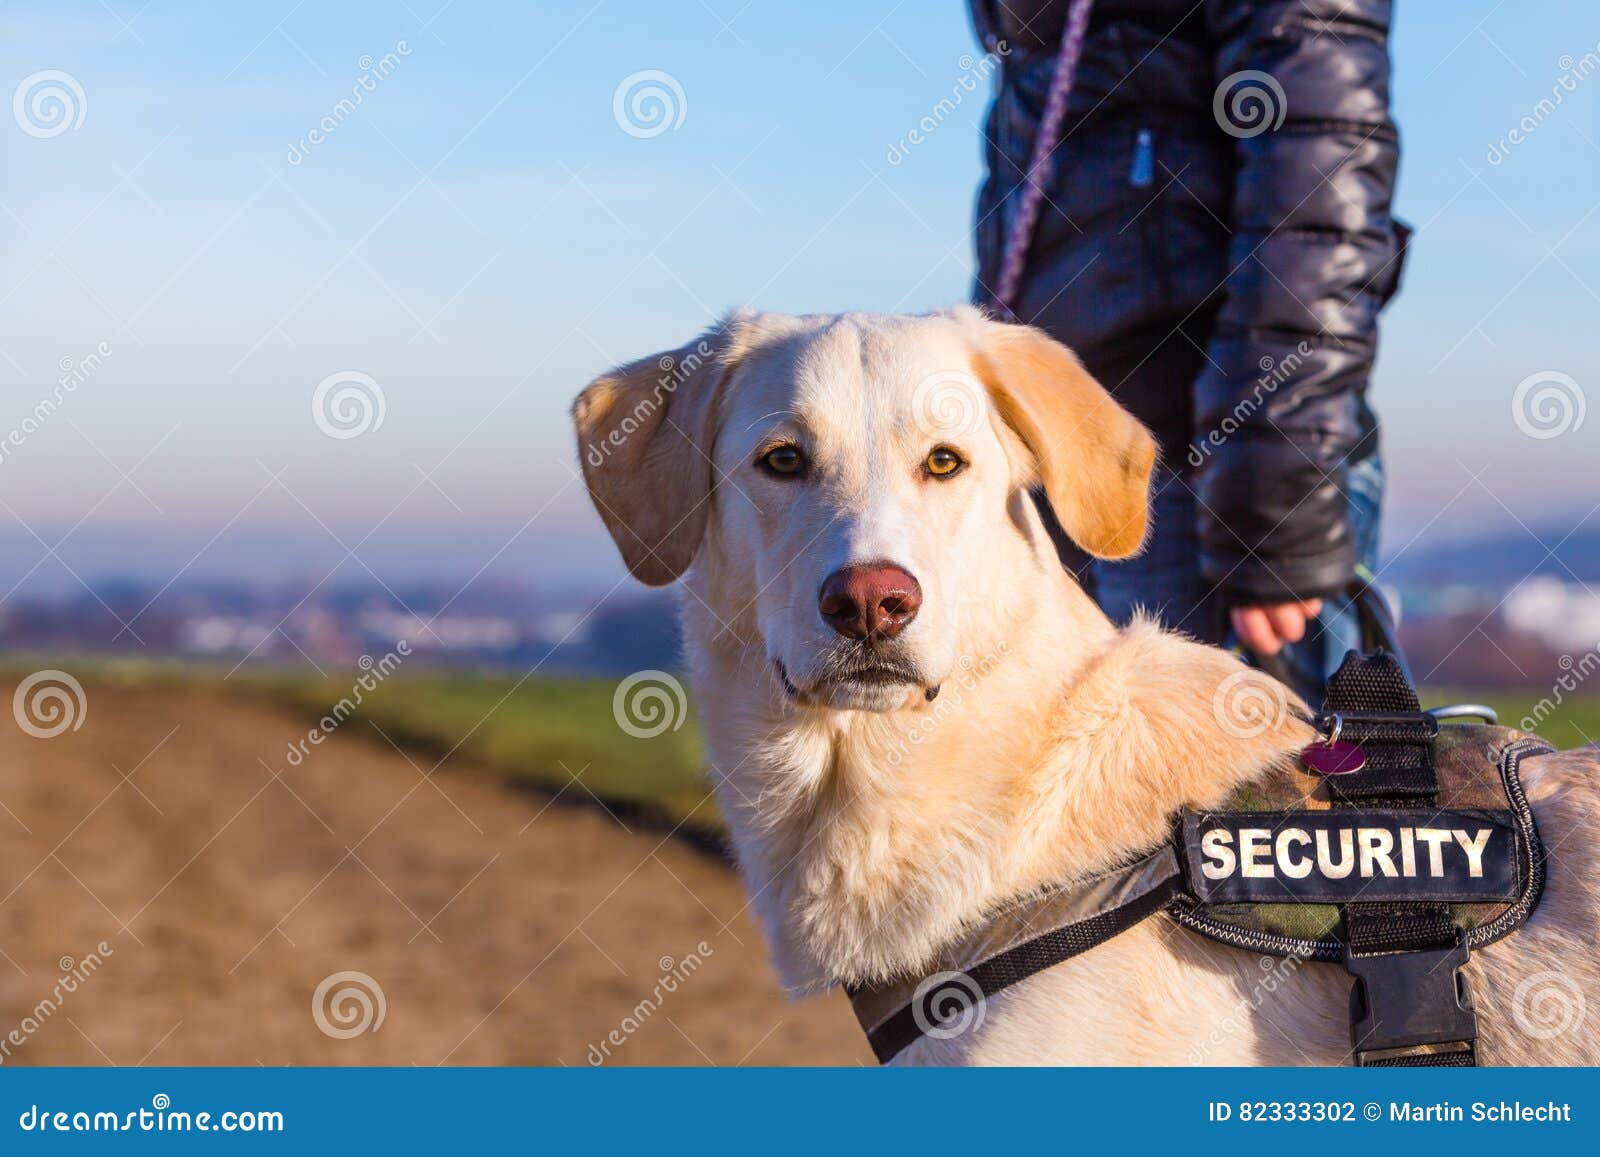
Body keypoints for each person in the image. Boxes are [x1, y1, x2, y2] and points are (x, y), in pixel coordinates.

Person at [968, 0, 1402, 703]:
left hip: (1206, 457)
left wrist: (1271, 482)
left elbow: (1318, 162)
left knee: (1294, 798)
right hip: (1080, 446)